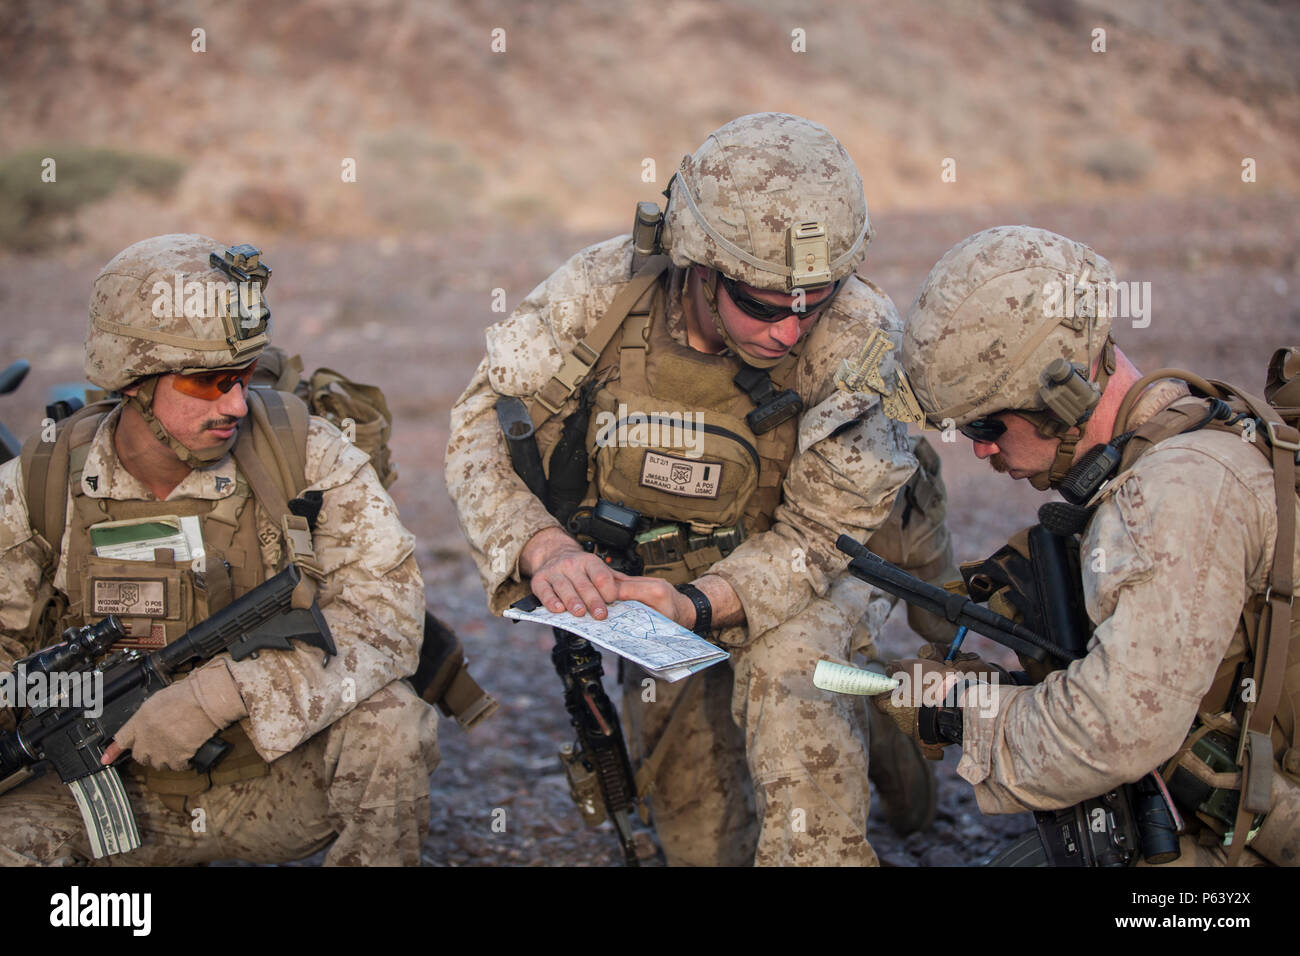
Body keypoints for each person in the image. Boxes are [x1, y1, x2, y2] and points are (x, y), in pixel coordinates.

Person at [446, 112, 953, 865]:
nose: (792, 328)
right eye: (765, 304)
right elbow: (482, 425)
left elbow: (821, 538)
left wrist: (699, 606)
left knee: (797, 674)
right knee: (700, 840)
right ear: (700, 265)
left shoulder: (858, 336)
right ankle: (860, 696)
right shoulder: (601, 295)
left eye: (816, 298)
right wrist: (543, 546)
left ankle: (868, 714)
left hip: (818, 570)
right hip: (662, 575)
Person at [0, 234, 439, 866]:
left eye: (240, 378)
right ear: (133, 380)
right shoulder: (40, 483)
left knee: (392, 725)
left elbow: (390, 623)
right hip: (102, 790)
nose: (236, 403)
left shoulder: (305, 454)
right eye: (207, 383)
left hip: (267, 779)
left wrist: (218, 697)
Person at [880, 224, 1299, 866]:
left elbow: (1108, 734)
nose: (983, 448)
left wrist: (957, 712)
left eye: (987, 424)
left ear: (1063, 394)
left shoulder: (1171, 495)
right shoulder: (1192, 430)